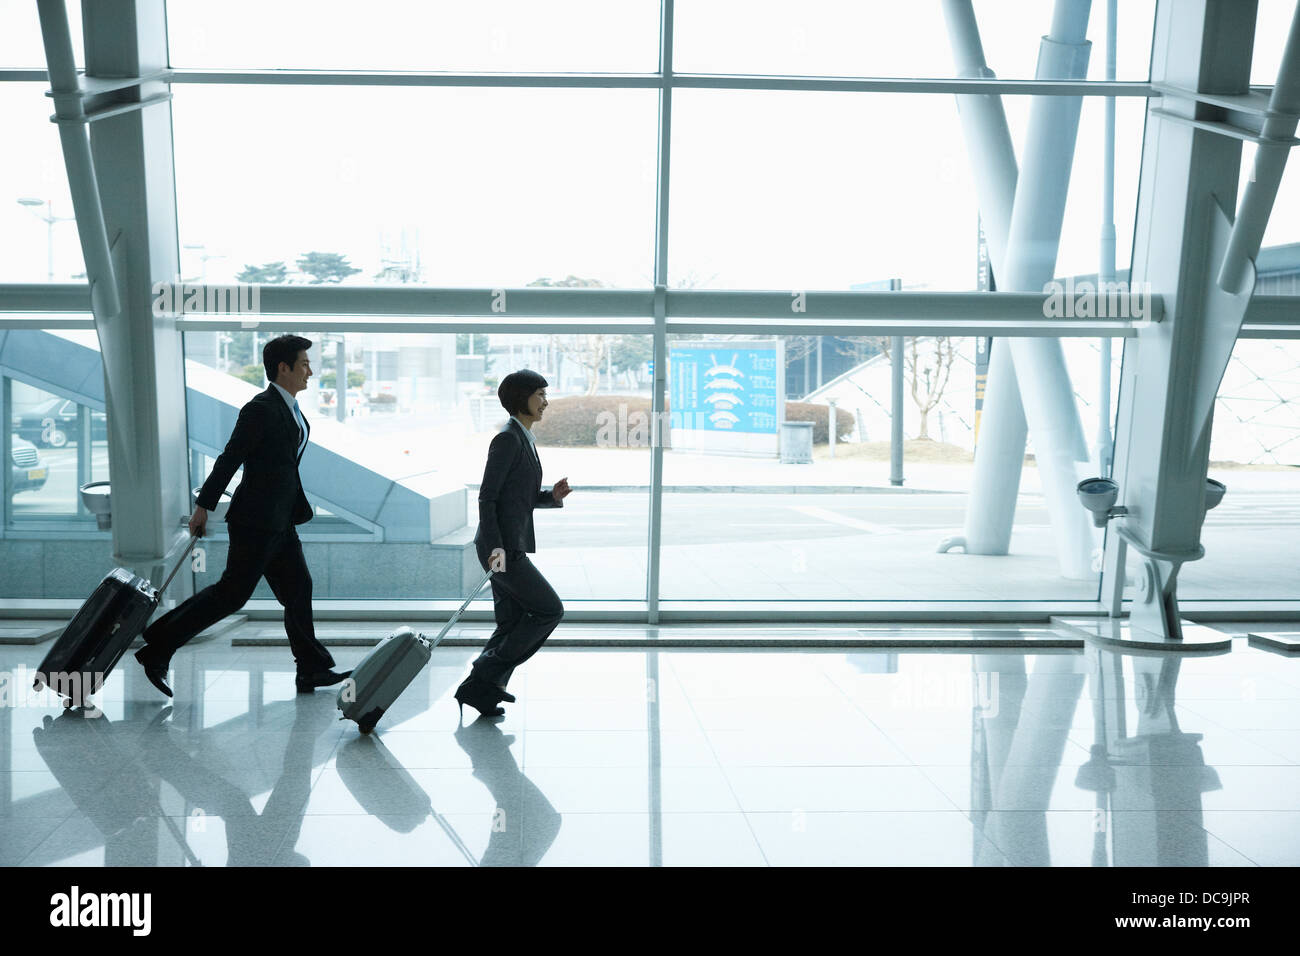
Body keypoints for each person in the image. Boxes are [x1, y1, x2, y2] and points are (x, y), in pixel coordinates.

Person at [134, 334, 350, 698]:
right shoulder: (261, 408)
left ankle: (310, 668)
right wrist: (204, 506)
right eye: (304, 364)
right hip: (256, 521)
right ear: (284, 368)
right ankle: (157, 647)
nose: (310, 372)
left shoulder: (291, 408)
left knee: (299, 589)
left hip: (281, 521)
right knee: (231, 595)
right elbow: (230, 458)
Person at [456, 369, 572, 718]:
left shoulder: (523, 437)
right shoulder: (507, 439)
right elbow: (488, 497)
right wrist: (495, 550)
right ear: (522, 398)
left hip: (507, 546)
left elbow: (514, 497)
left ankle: (483, 692)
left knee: (510, 623)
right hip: (502, 550)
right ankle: (483, 673)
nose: (546, 402)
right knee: (550, 609)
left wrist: (550, 496)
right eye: (540, 395)